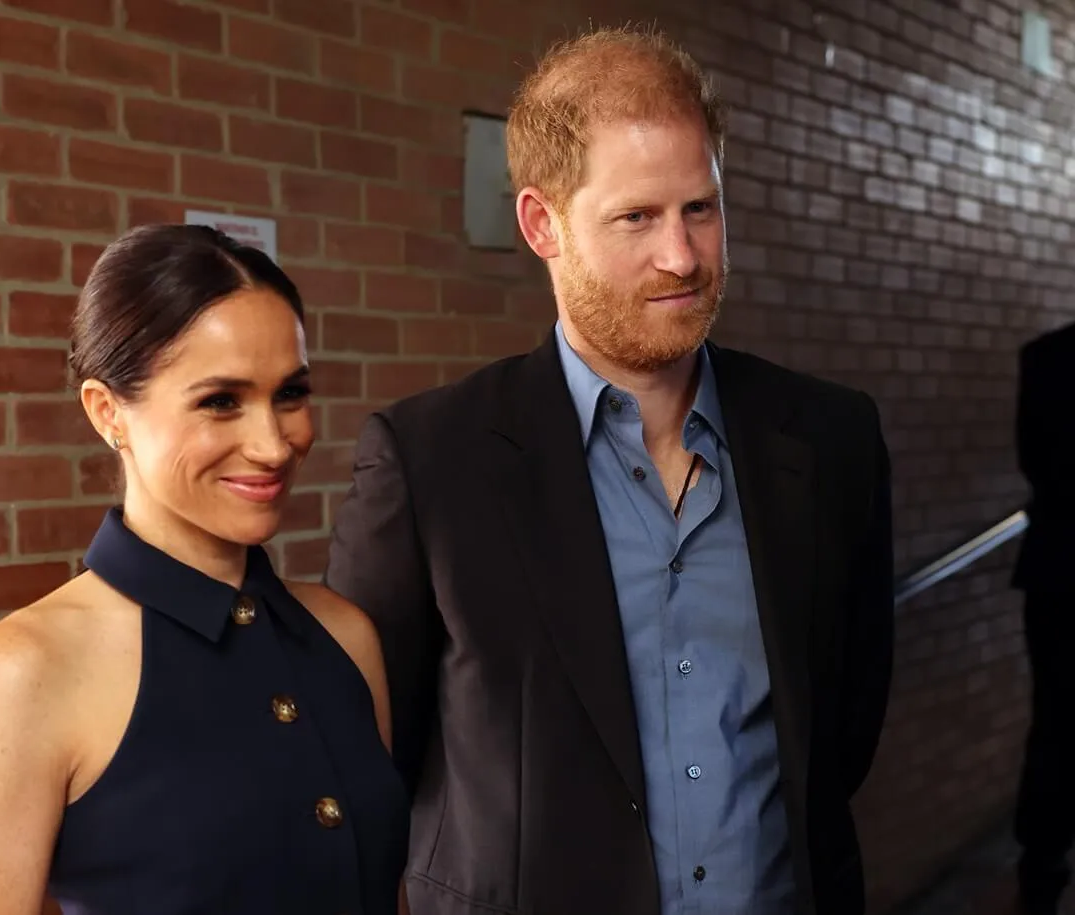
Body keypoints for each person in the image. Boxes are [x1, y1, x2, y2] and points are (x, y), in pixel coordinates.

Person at [324, 24, 893, 915]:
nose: (683, 257)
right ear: (541, 223)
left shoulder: (831, 439)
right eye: (637, 217)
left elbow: (844, 728)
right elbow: (366, 763)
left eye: (700, 208)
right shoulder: (430, 462)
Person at [0, 224, 409, 915]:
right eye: (221, 400)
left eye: (290, 393)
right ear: (108, 413)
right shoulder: (20, 670)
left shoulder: (346, 636)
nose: (274, 444)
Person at [1011, 320, 1075, 915]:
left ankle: (1041, 874)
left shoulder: (1046, 358)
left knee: (1055, 724)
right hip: (1059, 573)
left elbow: (1036, 464)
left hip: (1059, 571)